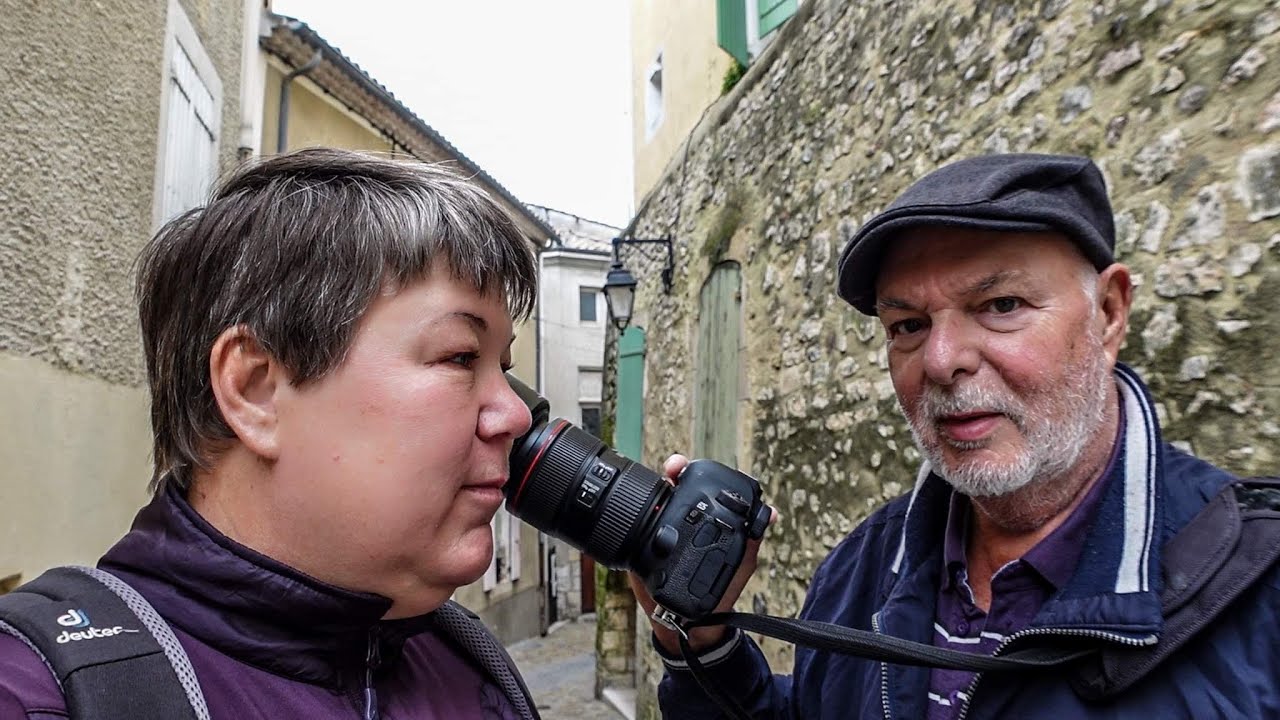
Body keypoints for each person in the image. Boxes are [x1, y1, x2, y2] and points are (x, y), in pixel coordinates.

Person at [641, 154, 1280, 718]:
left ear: (1109, 314)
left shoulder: (1253, 592)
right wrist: (700, 644)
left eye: (1001, 306)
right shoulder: (859, 570)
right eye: (909, 324)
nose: (942, 360)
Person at [0, 148, 544, 719]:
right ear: (255, 390)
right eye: (460, 356)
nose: (514, 414)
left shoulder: (468, 663)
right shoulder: (40, 695)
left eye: (502, 369)